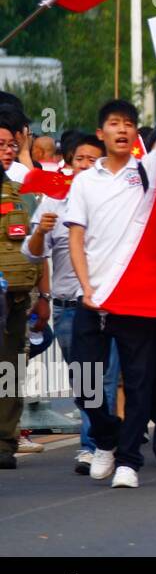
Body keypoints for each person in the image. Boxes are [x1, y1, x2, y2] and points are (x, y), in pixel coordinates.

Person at [65, 94, 156, 487]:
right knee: (86, 381)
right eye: (114, 123)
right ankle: (105, 437)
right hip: (93, 300)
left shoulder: (147, 173)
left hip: (134, 298)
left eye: (128, 123)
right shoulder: (84, 181)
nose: (122, 129)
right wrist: (86, 286)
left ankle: (128, 461)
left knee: (139, 380)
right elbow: (76, 236)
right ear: (101, 132)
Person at [21, 133, 117, 474]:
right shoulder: (53, 203)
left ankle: (95, 446)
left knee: (103, 379)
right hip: (66, 309)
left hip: (107, 308)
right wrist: (40, 231)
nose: (87, 165)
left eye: (94, 159)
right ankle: (107, 436)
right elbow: (32, 255)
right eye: (81, 159)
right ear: (69, 163)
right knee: (84, 380)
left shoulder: (114, 203)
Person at [0, 107, 44, 470]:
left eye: (12, 144)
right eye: (1, 144)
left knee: (10, 372)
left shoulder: (22, 192)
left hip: (15, 301)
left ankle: (4, 441)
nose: (8, 150)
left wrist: (42, 297)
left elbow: (39, 244)